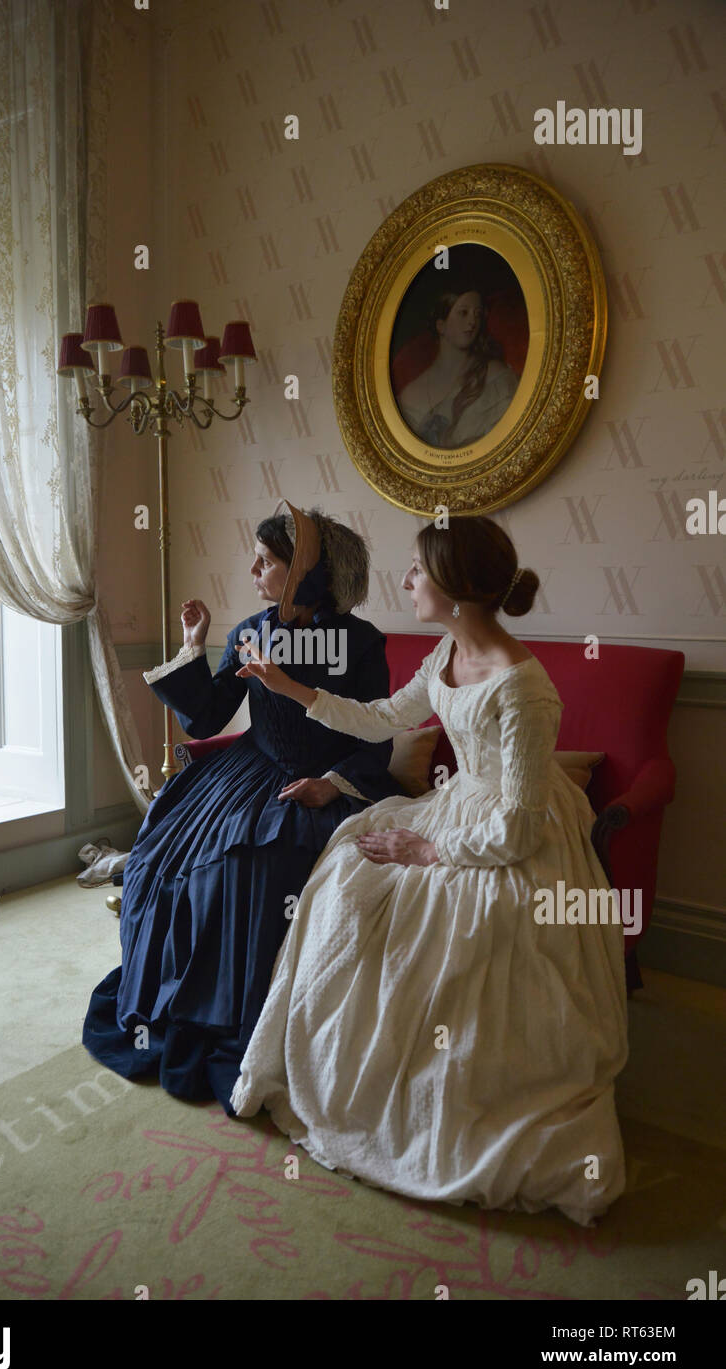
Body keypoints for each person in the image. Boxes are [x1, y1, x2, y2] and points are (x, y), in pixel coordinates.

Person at [231, 515, 630, 1227]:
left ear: (450, 585)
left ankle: (437, 1103)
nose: (406, 581)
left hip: (511, 833)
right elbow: (382, 716)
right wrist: (285, 686)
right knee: (346, 885)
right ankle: (345, 1077)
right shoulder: (445, 652)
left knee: (457, 944)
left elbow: (518, 824)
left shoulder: (524, 690)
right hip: (455, 808)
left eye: (416, 569)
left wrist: (429, 852)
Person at [81, 500, 406, 1115]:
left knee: (257, 867)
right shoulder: (251, 631)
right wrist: (194, 645)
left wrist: (333, 783)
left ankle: (242, 1020)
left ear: (305, 571)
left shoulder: (360, 644)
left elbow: (378, 734)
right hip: (250, 768)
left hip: (328, 782)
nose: (253, 573)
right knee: (159, 847)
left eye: (266, 562)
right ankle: (173, 1002)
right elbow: (208, 716)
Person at [396, 289, 518, 449]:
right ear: (441, 325)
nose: (472, 322)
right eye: (463, 313)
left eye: (477, 314)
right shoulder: (410, 395)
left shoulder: (495, 376)